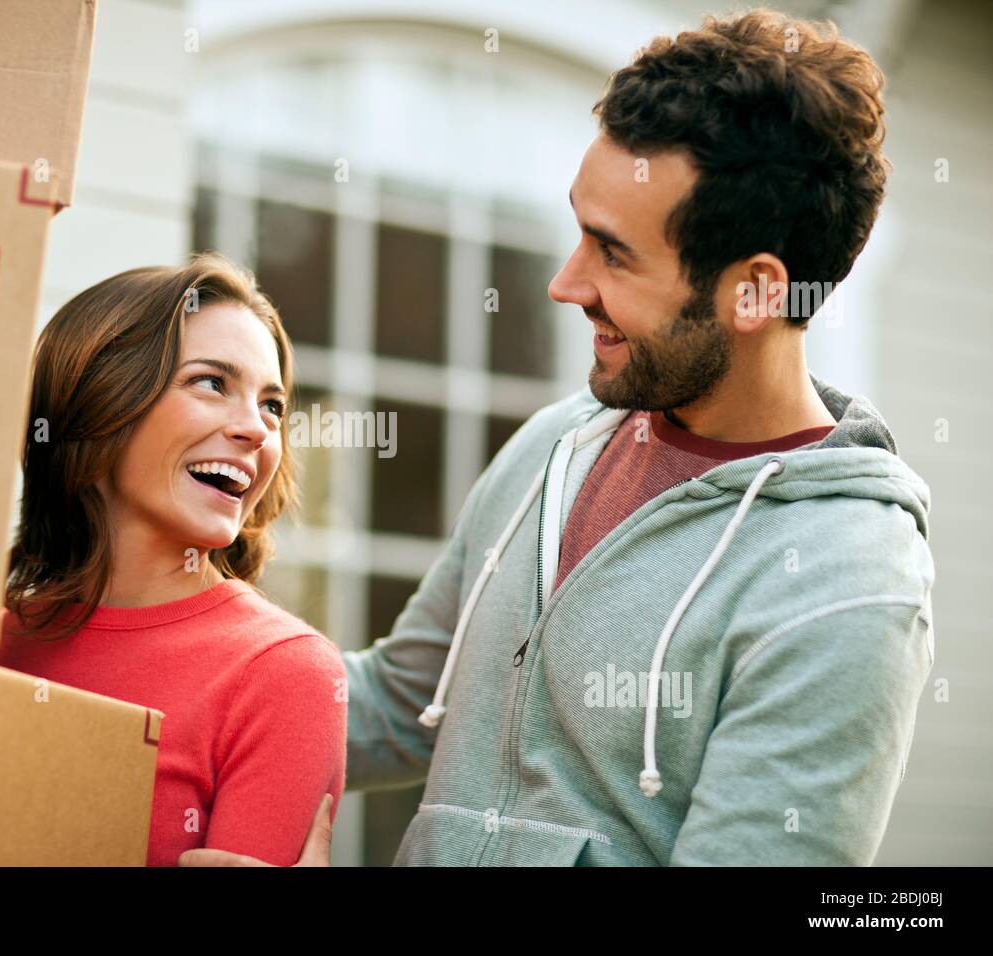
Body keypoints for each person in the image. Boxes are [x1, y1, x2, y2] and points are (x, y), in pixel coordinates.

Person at [180, 9, 934, 867]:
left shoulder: (846, 584)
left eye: (613, 254)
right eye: (579, 229)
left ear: (758, 293)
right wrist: (141, 671)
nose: (564, 282)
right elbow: (397, 703)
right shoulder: (558, 444)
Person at [0, 253, 346, 867]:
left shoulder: (283, 677)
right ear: (98, 406)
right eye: (212, 383)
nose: (258, 431)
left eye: (272, 406)